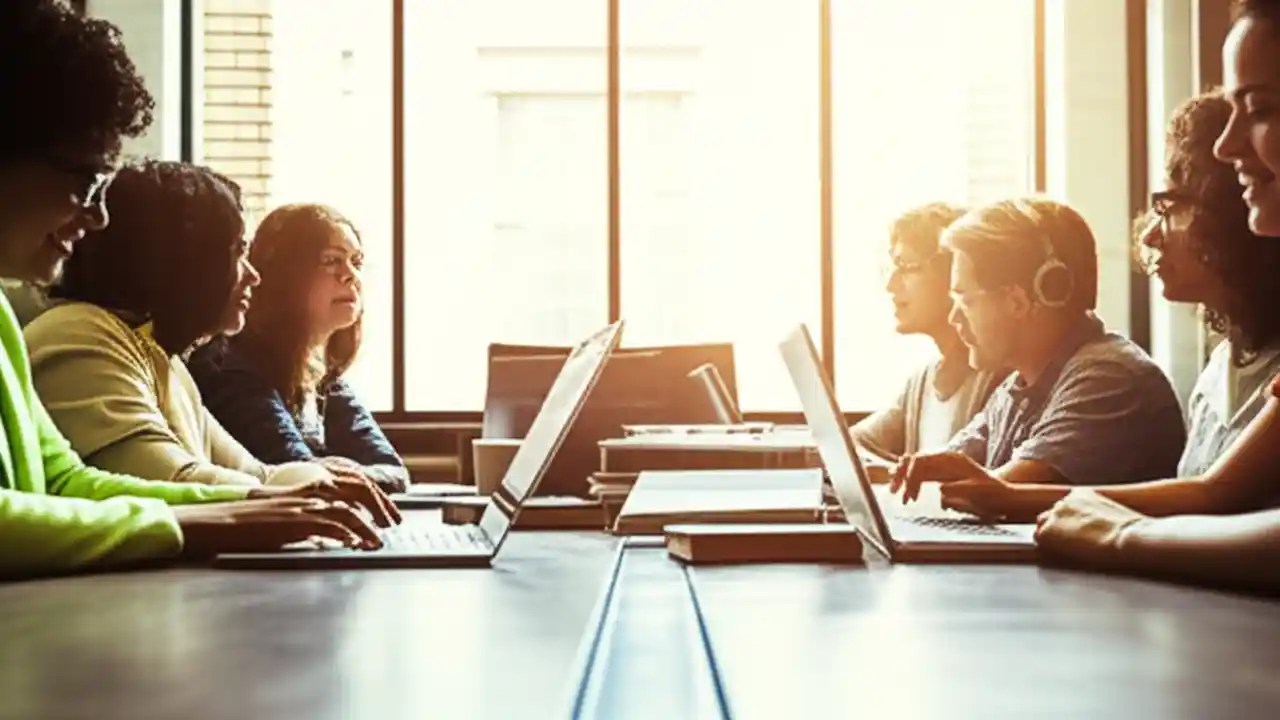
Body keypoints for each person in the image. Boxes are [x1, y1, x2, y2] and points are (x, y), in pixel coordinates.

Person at [0, 0, 393, 577]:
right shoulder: (78, 334)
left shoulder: (7, 323)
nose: (96, 217)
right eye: (85, 181)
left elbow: (63, 481)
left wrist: (260, 505)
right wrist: (209, 519)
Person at [1021, 0, 1280, 591]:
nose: (1228, 146)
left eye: (1261, 109)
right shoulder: (1220, 367)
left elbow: (1216, 498)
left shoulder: (1106, 371)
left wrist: (1117, 533)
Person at [26, 161, 379, 490]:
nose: (254, 276)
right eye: (237, 253)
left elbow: (260, 474)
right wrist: (313, 487)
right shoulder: (80, 335)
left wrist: (324, 479)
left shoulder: (167, 361)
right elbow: (172, 481)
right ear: (189, 262)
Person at [889, 197, 1185, 494]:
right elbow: (943, 471)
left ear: (1017, 302)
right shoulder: (1017, 387)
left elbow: (996, 495)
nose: (954, 318)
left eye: (966, 301)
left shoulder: (1109, 379)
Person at [189, 204, 408, 493]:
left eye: (356, 261)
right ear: (284, 274)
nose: (350, 274)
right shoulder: (231, 369)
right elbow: (299, 476)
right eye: (331, 260)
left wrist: (336, 469)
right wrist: (334, 469)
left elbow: (393, 470)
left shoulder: (323, 380)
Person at [850, 202, 1006, 460]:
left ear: (954, 273)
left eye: (907, 266)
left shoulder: (999, 378)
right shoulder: (921, 381)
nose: (891, 285)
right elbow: (854, 442)